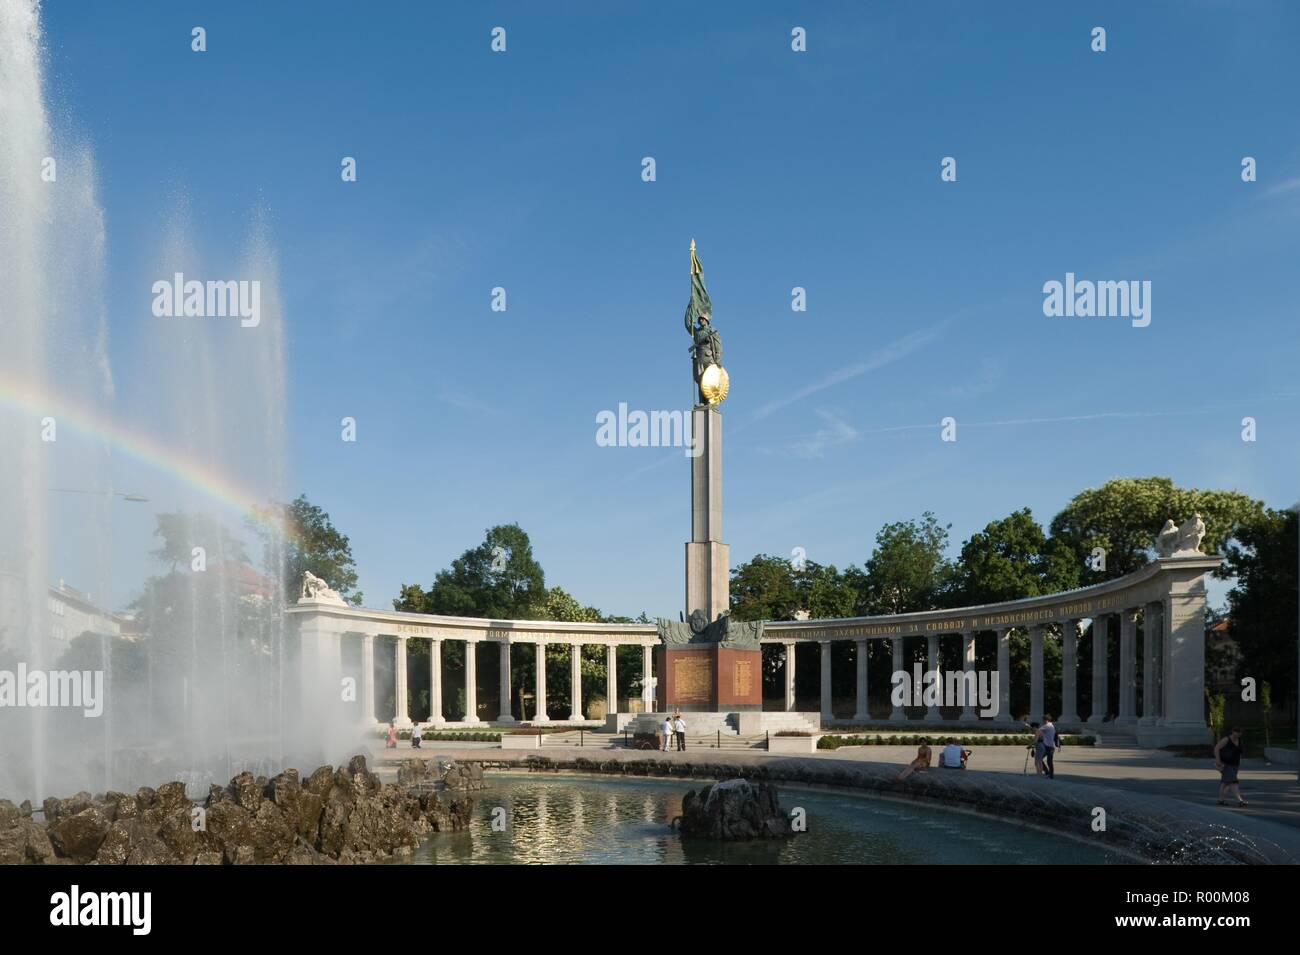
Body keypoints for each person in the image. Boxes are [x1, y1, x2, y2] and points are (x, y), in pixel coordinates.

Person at [1215, 727, 1248, 807]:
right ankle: (1240, 801)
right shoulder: (1226, 739)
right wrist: (1218, 761)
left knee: (1226, 783)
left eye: (1240, 732)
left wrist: (1240, 762)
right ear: (1233, 731)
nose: (1239, 734)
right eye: (1237, 732)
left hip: (1235, 765)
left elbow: (1239, 753)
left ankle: (1221, 800)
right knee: (1233, 782)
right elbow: (1216, 748)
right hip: (1225, 764)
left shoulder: (1239, 740)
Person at [1041, 714, 1058, 778]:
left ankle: (1047, 772)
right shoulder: (1051, 725)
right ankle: (1050, 775)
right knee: (1049, 761)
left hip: (1047, 746)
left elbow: (1037, 731)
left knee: (1039, 759)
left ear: (1046, 720)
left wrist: (1029, 726)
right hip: (1051, 746)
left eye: (1043, 720)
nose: (1042, 721)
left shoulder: (1047, 726)